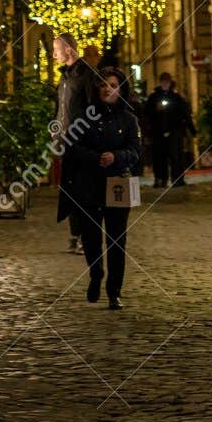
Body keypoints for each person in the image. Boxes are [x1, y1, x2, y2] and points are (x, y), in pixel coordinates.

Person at [63, 66, 143, 311]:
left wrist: (116, 157)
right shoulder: (84, 117)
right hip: (89, 183)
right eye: (103, 85)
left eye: (113, 85)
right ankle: (96, 273)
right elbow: (72, 147)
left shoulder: (129, 119)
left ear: (121, 89)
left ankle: (114, 291)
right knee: (91, 237)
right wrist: (95, 157)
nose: (107, 89)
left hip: (117, 183)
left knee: (117, 240)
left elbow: (136, 152)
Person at [52, 33, 95, 254]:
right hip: (65, 143)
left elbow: (93, 109)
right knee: (69, 191)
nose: (53, 54)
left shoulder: (86, 75)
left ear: (69, 49)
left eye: (56, 50)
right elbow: (60, 109)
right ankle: (75, 234)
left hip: (81, 143)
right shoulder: (64, 77)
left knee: (82, 192)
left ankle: (85, 238)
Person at [143, 72, 195, 189]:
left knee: (176, 157)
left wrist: (191, 130)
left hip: (174, 132)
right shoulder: (153, 97)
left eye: (167, 82)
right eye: (163, 81)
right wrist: (155, 110)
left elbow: (184, 113)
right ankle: (160, 178)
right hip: (158, 132)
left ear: (170, 83)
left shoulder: (176, 97)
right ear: (160, 82)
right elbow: (146, 114)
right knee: (159, 157)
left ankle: (177, 179)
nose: (165, 84)